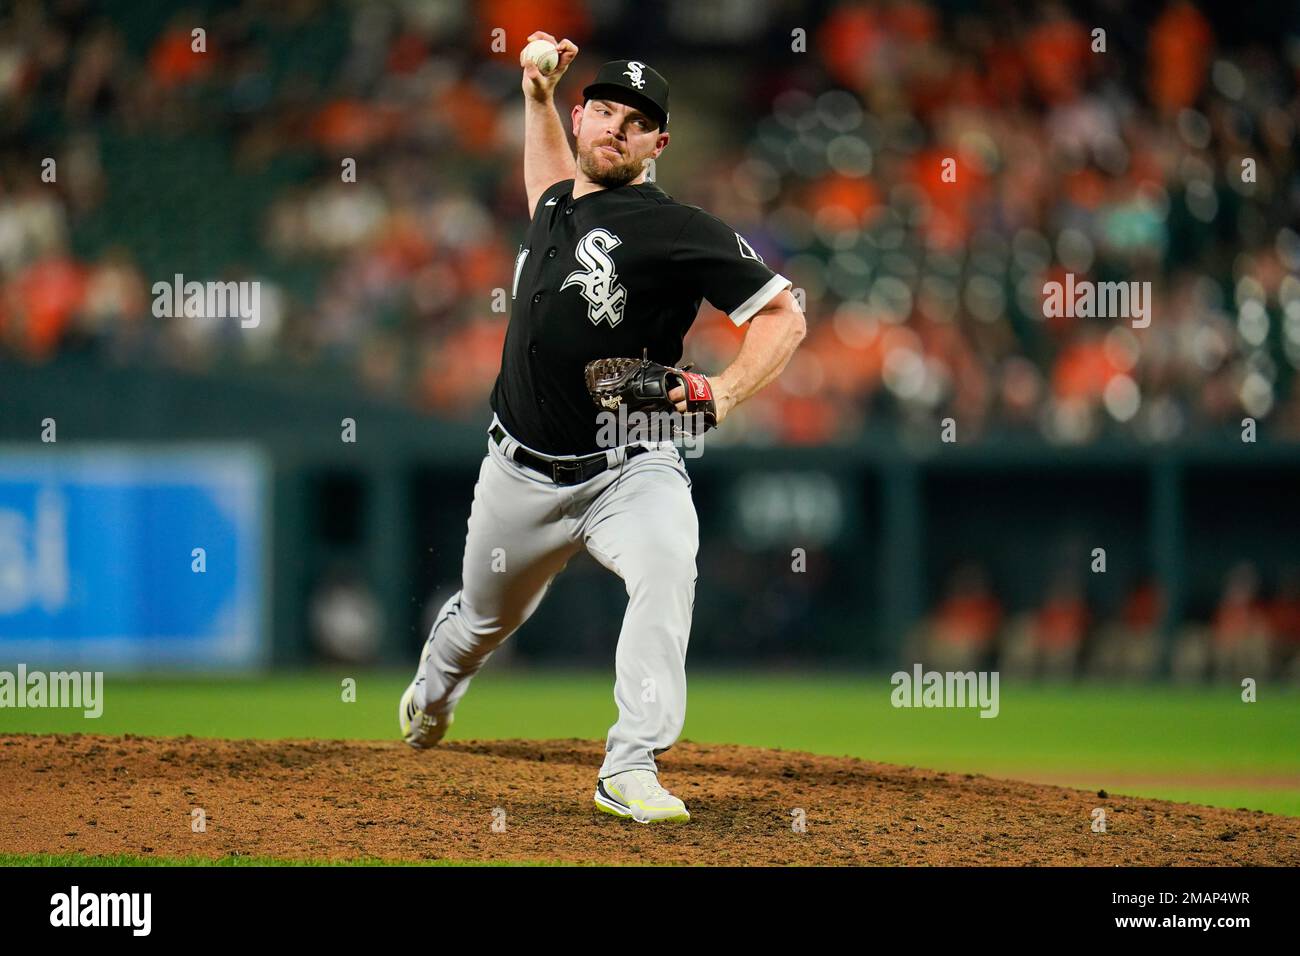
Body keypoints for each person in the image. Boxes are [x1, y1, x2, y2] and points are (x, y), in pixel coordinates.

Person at [398, 34, 807, 824]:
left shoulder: (676, 227)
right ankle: (435, 693)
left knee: (667, 562)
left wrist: (721, 394)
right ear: (581, 119)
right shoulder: (556, 202)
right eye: (606, 111)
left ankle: (630, 763)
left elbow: (784, 316)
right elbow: (548, 175)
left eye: (637, 120)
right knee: (481, 624)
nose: (617, 127)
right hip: (517, 471)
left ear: (659, 143)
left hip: (631, 462)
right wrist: (533, 98)